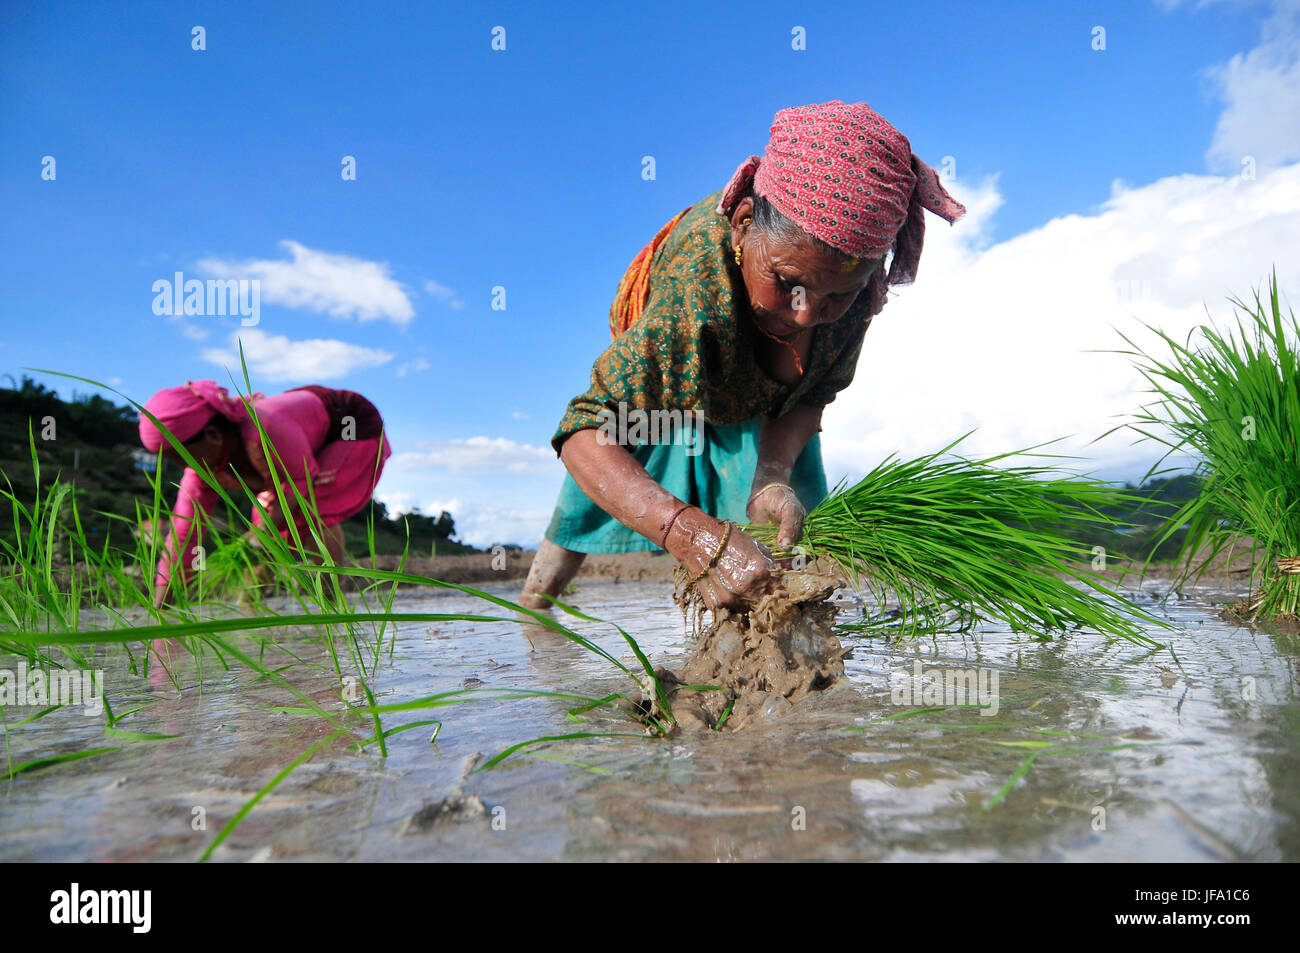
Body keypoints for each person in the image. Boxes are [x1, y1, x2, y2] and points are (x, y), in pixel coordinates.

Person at [520, 100, 965, 611]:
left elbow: (811, 394)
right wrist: (690, 536)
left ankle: (785, 634)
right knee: (603, 480)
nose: (806, 316)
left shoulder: (857, 294)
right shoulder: (693, 298)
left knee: (790, 536)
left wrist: (771, 475)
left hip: (768, 399)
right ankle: (536, 606)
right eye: (788, 282)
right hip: (673, 386)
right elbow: (585, 431)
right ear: (743, 225)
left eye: (835, 296)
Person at [138, 380, 391, 607]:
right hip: (300, 445)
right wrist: (161, 611)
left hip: (350, 425)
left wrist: (259, 535)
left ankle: (333, 602)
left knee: (306, 513)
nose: (185, 467)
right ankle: (248, 603)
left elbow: (300, 483)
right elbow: (184, 535)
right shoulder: (198, 474)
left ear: (213, 436)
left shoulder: (267, 427)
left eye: (182, 457)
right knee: (266, 524)